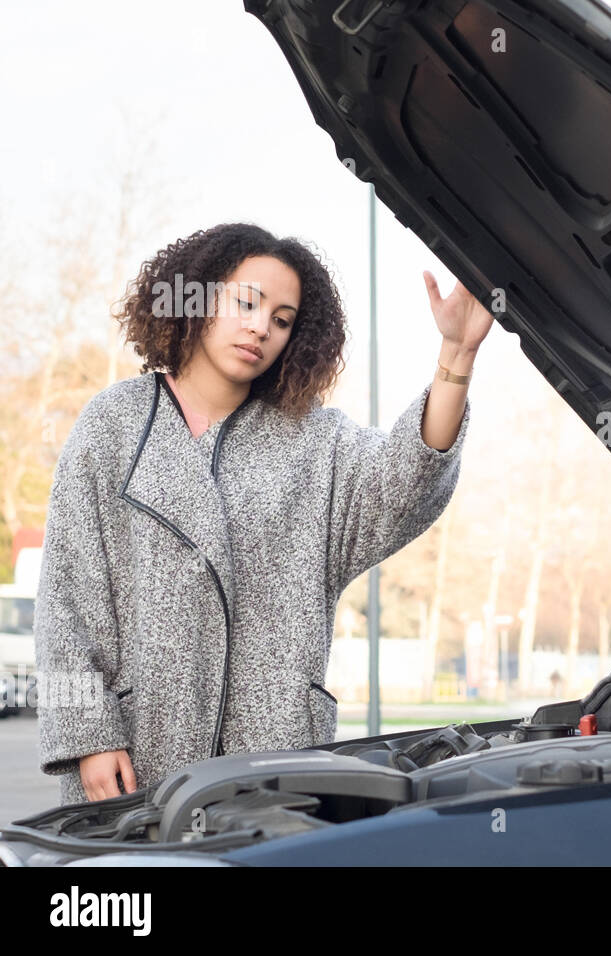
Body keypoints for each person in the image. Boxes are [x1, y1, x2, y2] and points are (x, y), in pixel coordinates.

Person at [34, 222, 494, 804]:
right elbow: (65, 600)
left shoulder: (314, 441)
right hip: (132, 754)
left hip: (273, 757)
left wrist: (456, 355)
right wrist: (88, 736)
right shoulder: (113, 424)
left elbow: (404, 480)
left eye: (281, 320)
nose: (260, 328)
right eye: (245, 303)